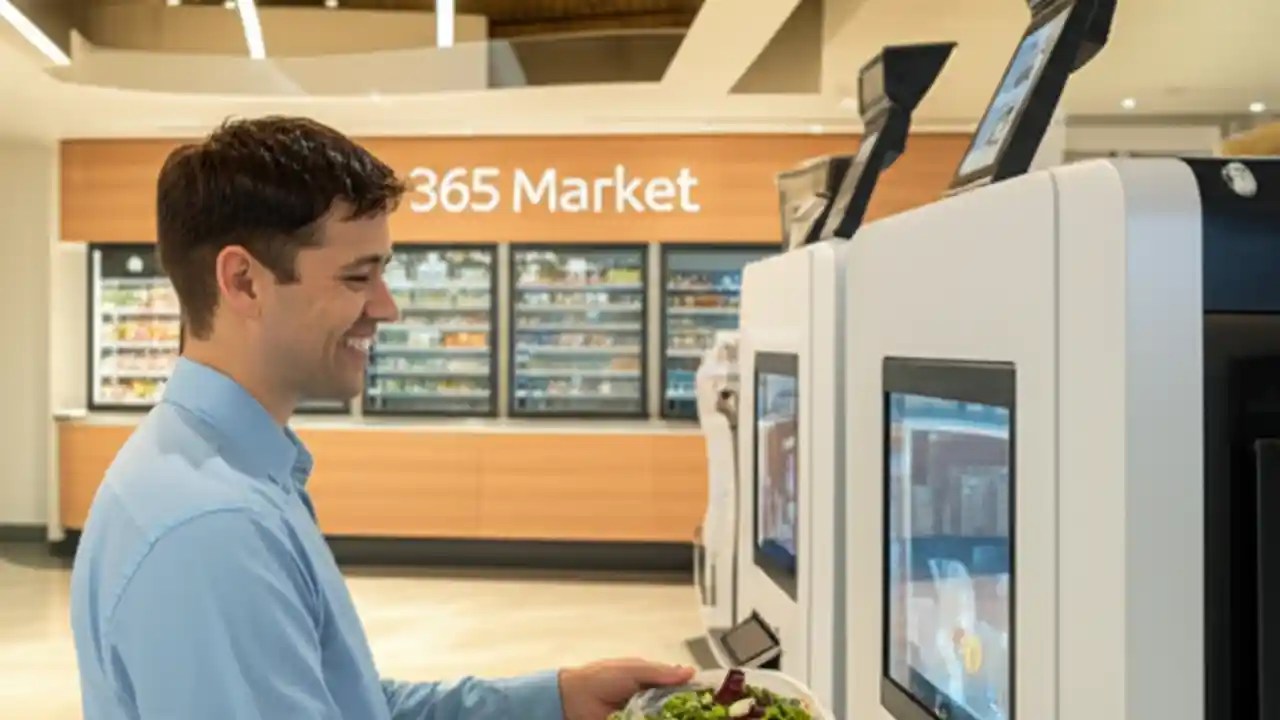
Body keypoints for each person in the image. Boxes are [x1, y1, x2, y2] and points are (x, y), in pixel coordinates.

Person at [69, 116, 695, 720]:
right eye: (356, 277)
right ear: (244, 282)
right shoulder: (213, 529)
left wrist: (554, 701)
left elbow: (349, 705)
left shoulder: (231, 475)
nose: (387, 307)